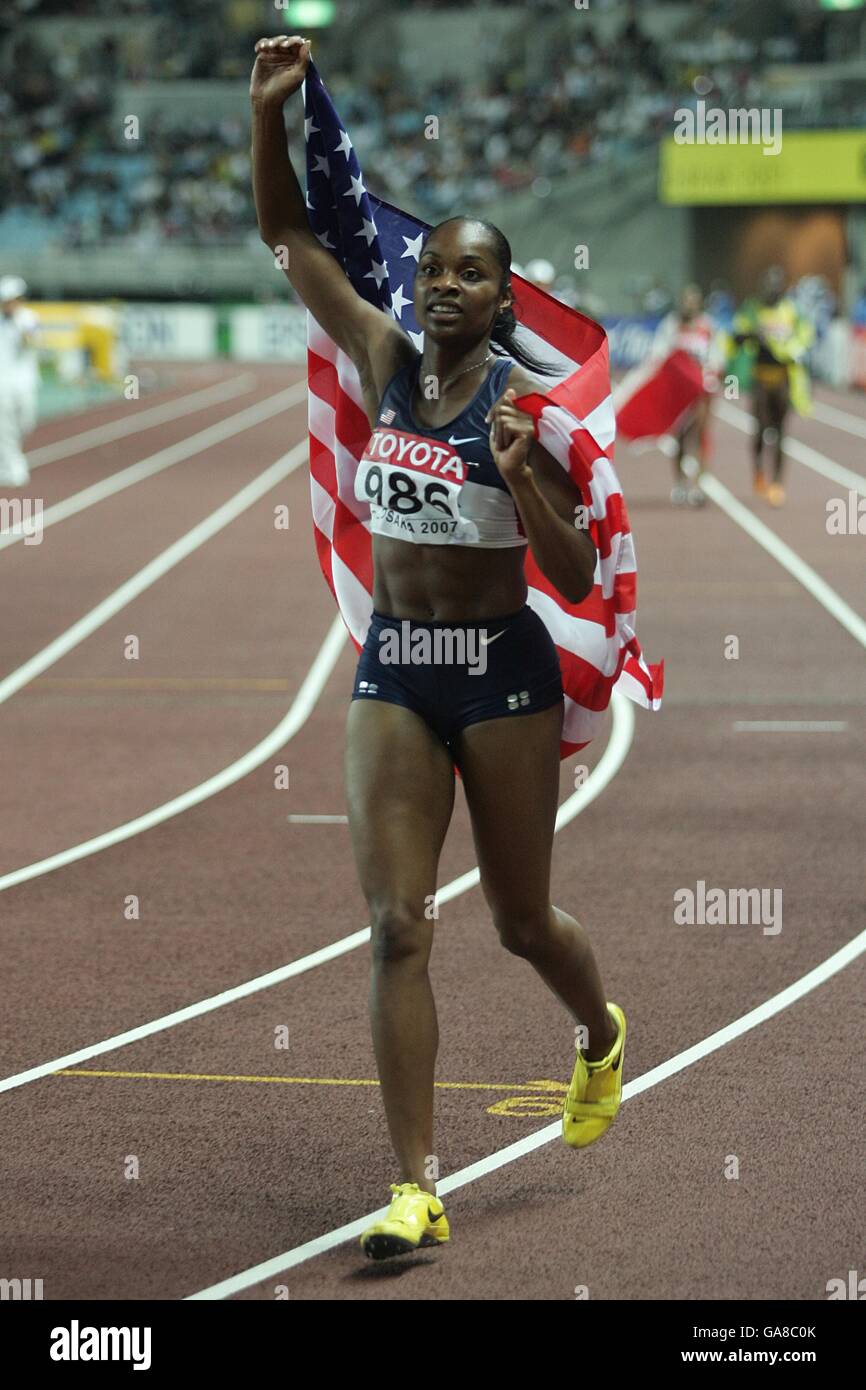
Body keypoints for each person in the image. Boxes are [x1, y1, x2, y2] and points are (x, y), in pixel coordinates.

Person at [251, 35, 628, 1261]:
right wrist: (270, 121)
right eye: (436, 272)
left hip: (500, 676)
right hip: (399, 672)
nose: (443, 288)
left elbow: (573, 575)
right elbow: (297, 244)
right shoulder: (385, 362)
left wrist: (525, 485)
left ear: (504, 300)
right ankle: (416, 1185)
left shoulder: (522, 413)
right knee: (397, 925)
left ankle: (599, 1031)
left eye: (471, 277)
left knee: (522, 922)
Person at [732, 266, 814, 508]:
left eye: (777, 284)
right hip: (759, 378)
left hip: (783, 380)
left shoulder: (792, 312)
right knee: (759, 431)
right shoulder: (752, 309)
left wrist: (792, 350)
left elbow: (804, 337)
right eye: (768, 284)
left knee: (780, 433)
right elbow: (737, 336)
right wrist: (751, 335)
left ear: (783, 287)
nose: (772, 288)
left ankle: (777, 483)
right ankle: (758, 472)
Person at [651, 284, 725, 507]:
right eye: (686, 300)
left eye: (693, 301)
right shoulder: (671, 325)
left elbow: (718, 354)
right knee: (681, 438)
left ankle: (699, 485)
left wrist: (712, 370)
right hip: (678, 391)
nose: (689, 304)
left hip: (702, 390)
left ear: (699, 303)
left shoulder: (708, 325)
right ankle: (681, 483)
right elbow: (658, 352)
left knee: (701, 435)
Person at [0, 275, 39, 488]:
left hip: (25, 383)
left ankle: (11, 459)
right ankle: (13, 466)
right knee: (4, 427)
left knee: (26, 422)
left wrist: (19, 327)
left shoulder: (29, 318)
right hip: (2, 385)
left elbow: (30, 340)